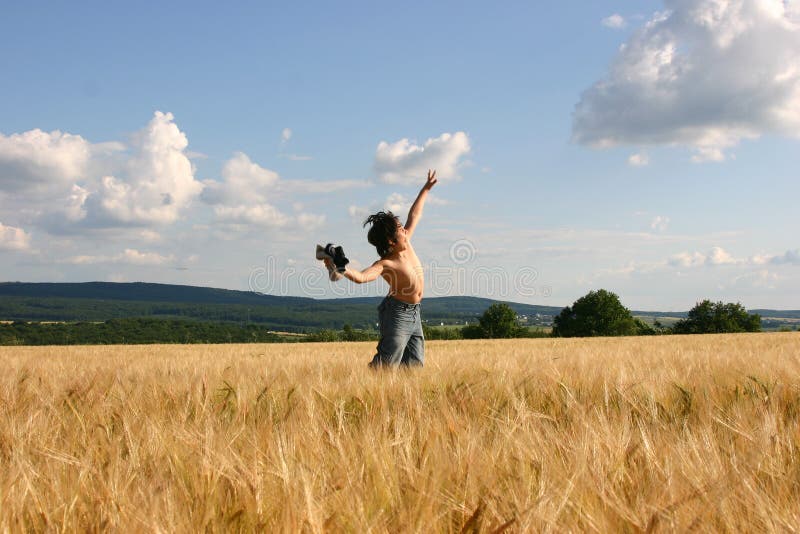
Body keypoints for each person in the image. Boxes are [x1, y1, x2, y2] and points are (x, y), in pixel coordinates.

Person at [324, 169, 438, 367]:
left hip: (415, 312)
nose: (404, 230)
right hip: (397, 314)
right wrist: (341, 268)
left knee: (414, 364)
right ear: (391, 241)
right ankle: (365, 390)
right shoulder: (386, 263)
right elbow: (361, 277)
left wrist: (426, 189)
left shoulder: (407, 243)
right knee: (387, 363)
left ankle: (400, 396)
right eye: (400, 229)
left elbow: (415, 214)